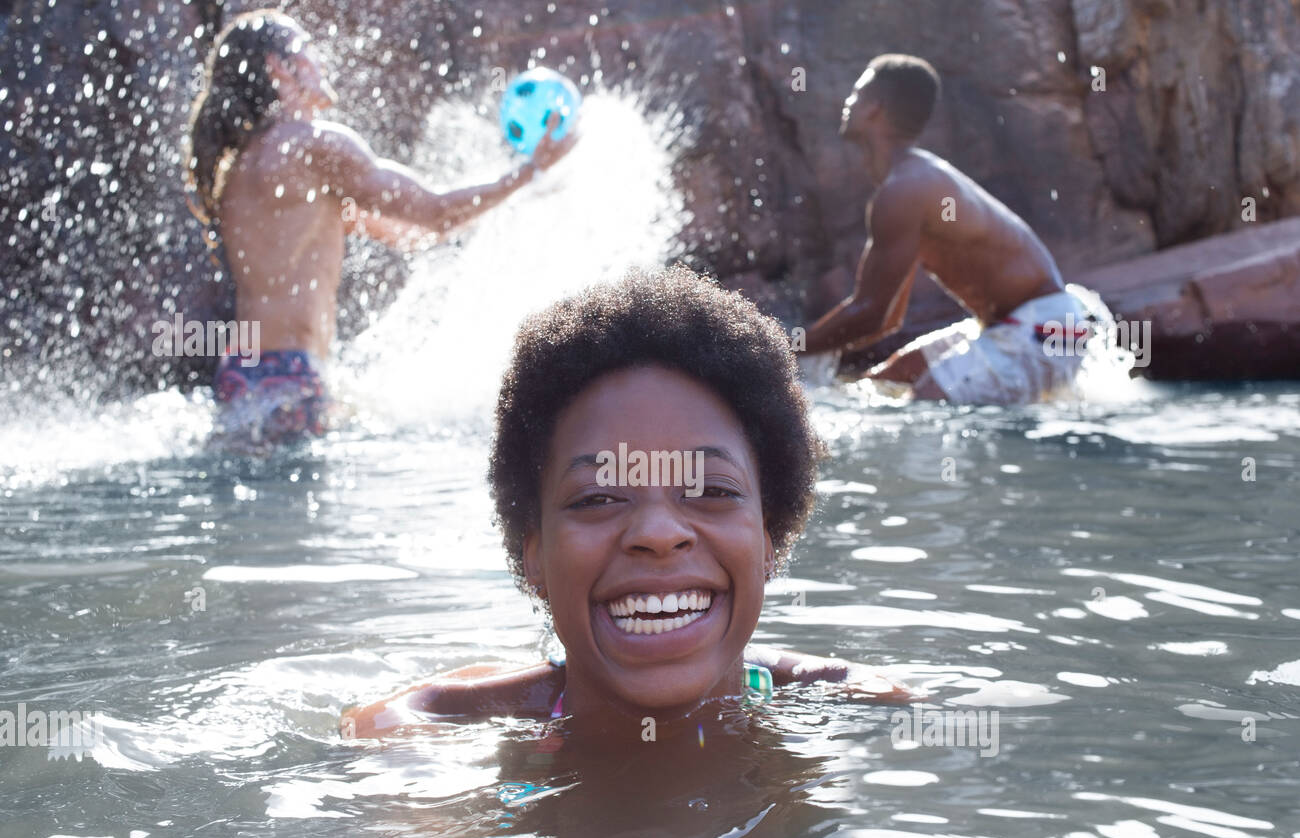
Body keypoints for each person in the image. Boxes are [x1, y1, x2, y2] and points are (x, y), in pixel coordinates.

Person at [343, 266, 909, 741]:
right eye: (599, 498)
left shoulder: (867, 712)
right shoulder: (415, 736)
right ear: (534, 556)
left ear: (768, 540)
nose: (659, 533)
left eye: (711, 491)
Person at [182, 9, 576, 446]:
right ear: (279, 67)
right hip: (291, 379)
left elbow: (417, 234)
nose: (318, 59)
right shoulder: (312, 145)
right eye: (305, 48)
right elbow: (435, 212)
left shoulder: (237, 168)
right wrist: (528, 172)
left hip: (241, 373)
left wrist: (511, 195)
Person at [802, 54, 1116, 404]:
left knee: (924, 404)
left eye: (856, 93)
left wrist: (786, 348)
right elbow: (887, 319)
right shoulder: (910, 184)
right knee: (886, 381)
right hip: (1023, 325)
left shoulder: (905, 188)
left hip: (1043, 327)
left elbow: (871, 313)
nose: (847, 102)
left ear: (875, 108)